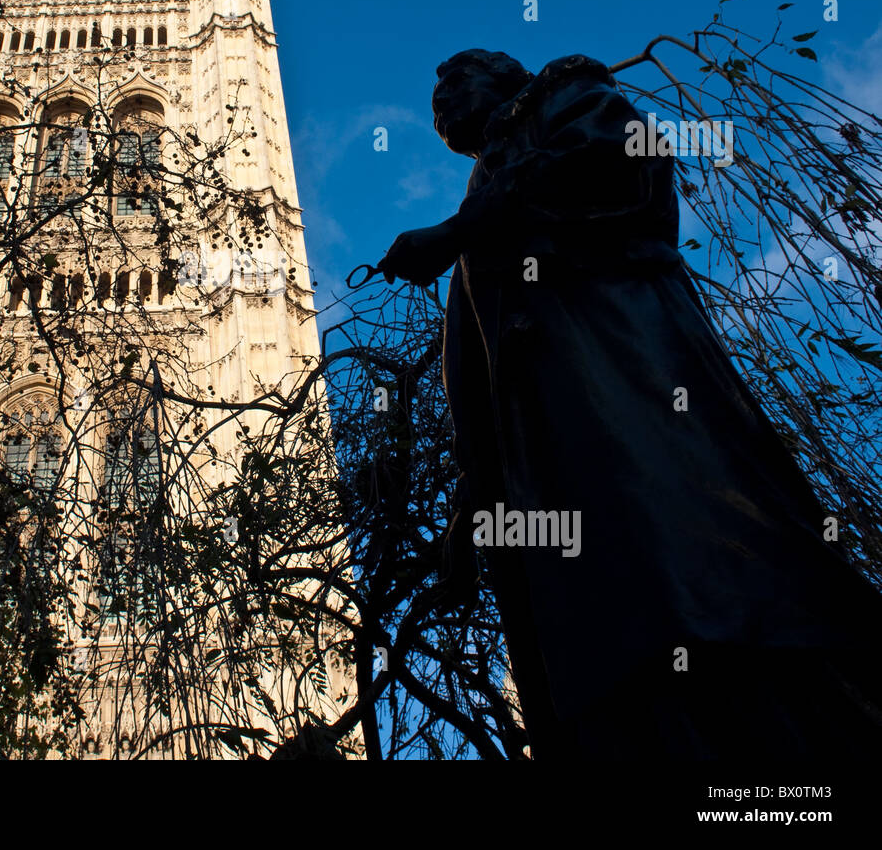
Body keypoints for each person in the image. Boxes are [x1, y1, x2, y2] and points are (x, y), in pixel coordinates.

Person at [378, 49, 882, 759]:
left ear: (503, 79)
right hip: (552, 460)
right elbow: (477, 392)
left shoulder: (566, 98)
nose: (441, 110)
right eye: (433, 108)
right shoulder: (474, 216)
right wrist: (472, 507)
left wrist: (460, 232)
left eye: (453, 87)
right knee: (602, 652)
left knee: (696, 588)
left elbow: (616, 162)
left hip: (632, 385)